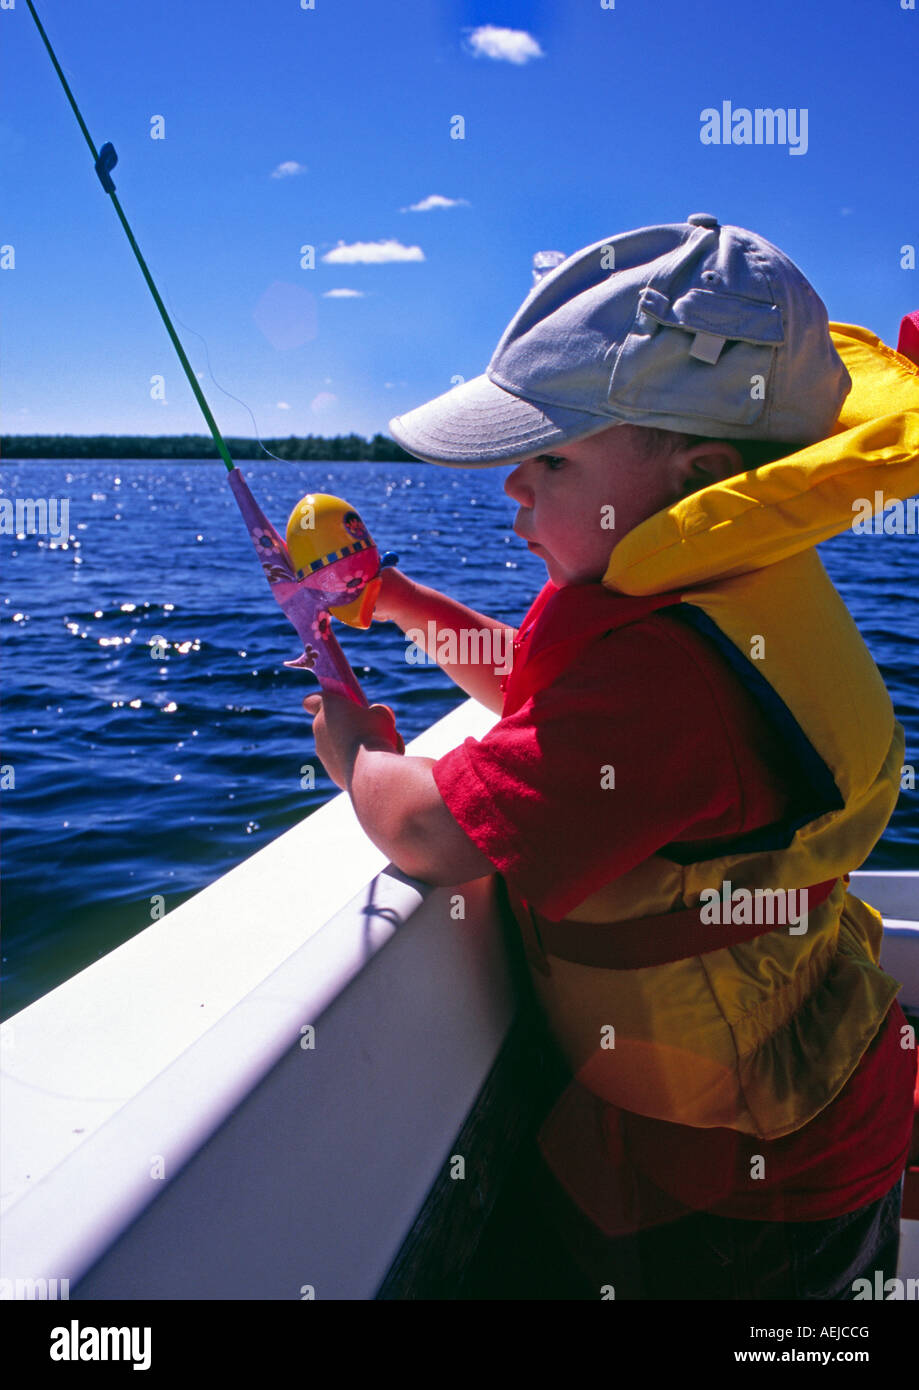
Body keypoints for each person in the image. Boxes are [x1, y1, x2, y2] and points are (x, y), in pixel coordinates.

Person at [303, 214, 919, 1299]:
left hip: (756, 1198)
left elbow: (433, 832)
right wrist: (396, 600)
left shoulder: (671, 685)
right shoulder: (710, 597)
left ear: (700, 471)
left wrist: (360, 758)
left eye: (548, 457)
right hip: (783, 1118)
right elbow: (546, 696)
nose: (512, 489)